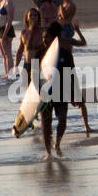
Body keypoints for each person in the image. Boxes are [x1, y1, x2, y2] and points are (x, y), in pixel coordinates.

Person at [55, 0, 91, 135]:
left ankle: (86, 126)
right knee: (57, 98)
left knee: (78, 98)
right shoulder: (57, 38)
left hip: (67, 61)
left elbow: (83, 43)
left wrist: (77, 31)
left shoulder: (70, 6)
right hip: (57, 62)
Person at [39, 22, 70, 158]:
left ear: (54, 38)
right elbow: (33, 76)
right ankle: (48, 152)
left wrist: (74, 93)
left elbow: (71, 73)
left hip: (60, 91)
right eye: (44, 37)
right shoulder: (39, 54)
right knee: (46, 124)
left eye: (48, 37)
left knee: (62, 119)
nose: (45, 40)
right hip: (44, 93)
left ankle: (57, 144)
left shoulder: (65, 54)